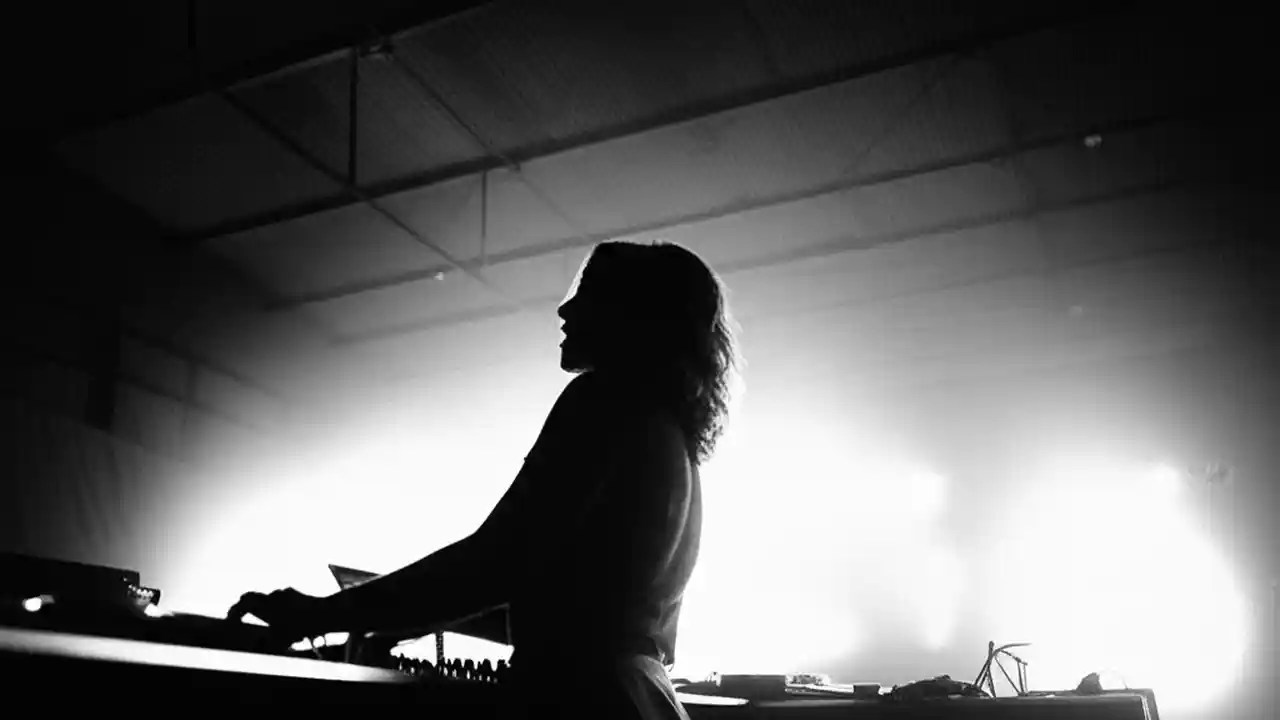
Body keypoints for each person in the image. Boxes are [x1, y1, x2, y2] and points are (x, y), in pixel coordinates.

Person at [228, 240, 740, 719]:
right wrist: (392, 617)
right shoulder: (672, 439)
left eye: (587, 295)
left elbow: (497, 559)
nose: (565, 311)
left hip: (577, 697)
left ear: (629, 315)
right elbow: (560, 594)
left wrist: (320, 613)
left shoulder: (603, 401)